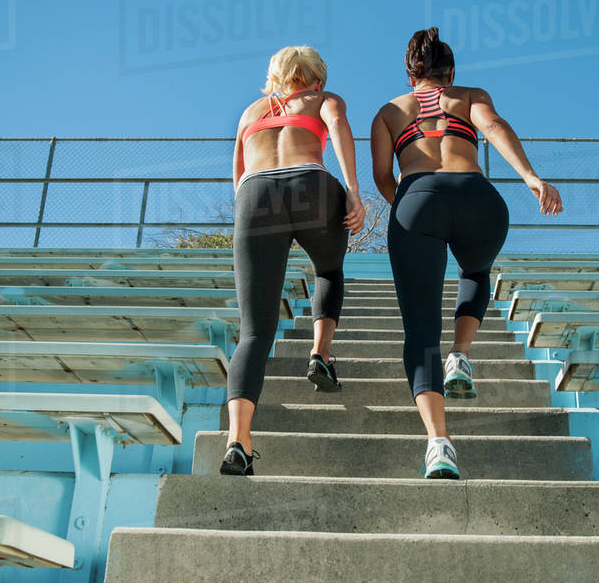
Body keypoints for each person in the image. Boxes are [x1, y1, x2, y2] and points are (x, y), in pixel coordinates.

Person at [371, 26, 562, 480]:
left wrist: (414, 207)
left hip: (416, 196)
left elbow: (382, 176)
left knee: (421, 331)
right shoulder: (470, 95)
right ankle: (460, 353)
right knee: (475, 269)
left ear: (410, 76)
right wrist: (531, 178)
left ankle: (439, 443)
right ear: (451, 73)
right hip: (479, 198)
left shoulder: (389, 112)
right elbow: (493, 126)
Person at [221, 45, 365, 475]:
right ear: (316, 78)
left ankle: (238, 441)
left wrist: (254, 216)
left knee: (253, 332)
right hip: (311, 184)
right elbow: (338, 128)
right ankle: (320, 354)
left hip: (255, 193)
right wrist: (353, 192)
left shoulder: (250, 112)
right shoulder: (325, 99)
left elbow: (238, 174)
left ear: (276, 77)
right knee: (329, 269)